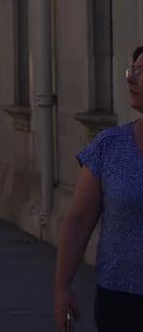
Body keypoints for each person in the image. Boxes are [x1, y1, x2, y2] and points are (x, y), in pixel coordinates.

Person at [54, 45, 143, 331]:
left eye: (142, 73)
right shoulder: (109, 146)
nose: (131, 78)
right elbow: (79, 220)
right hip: (120, 301)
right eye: (133, 70)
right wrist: (62, 286)